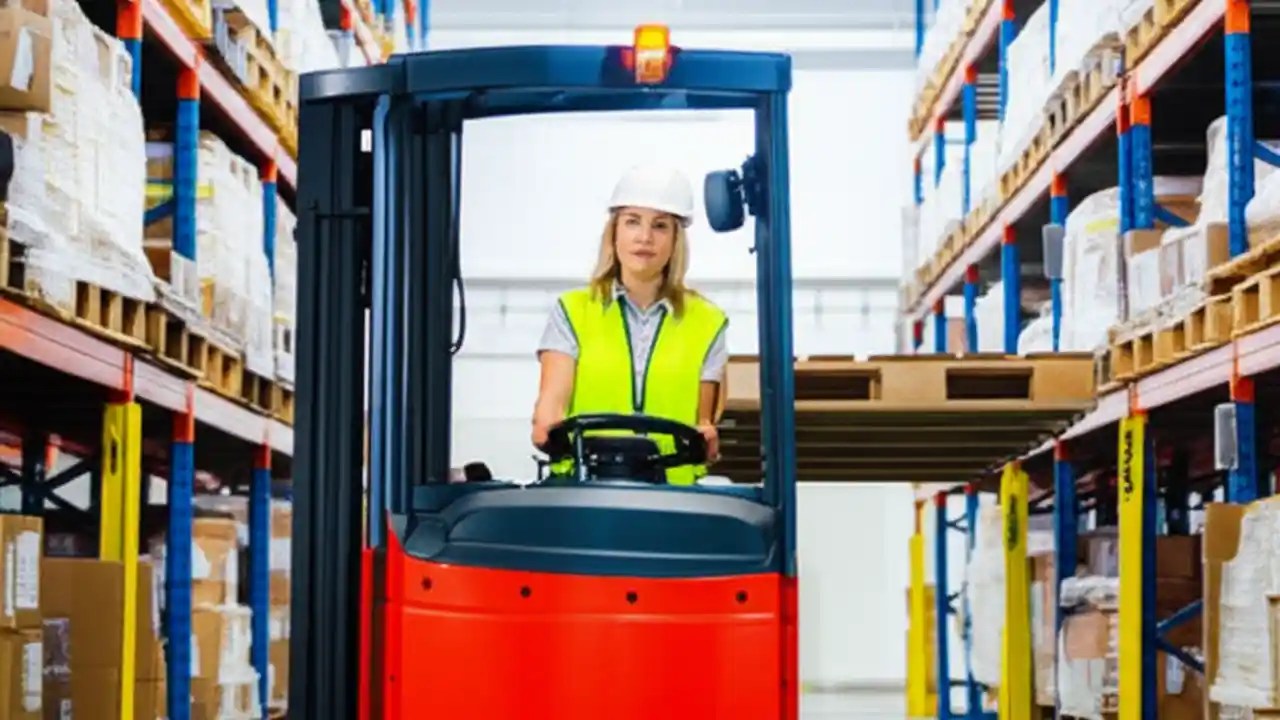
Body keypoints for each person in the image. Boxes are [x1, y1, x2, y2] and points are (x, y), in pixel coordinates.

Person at [531, 164, 729, 485]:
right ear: (614, 232)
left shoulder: (708, 322)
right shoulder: (572, 311)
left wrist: (707, 437)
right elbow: (550, 408)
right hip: (584, 487)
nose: (645, 237)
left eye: (660, 226)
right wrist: (546, 427)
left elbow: (701, 422)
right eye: (632, 222)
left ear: (676, 239)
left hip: (670, 494)